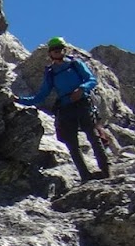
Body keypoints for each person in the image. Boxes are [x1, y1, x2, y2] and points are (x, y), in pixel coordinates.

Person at [16, 37, 110, 181]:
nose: (57, 51)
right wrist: (21, 100)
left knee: (93, 136)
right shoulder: (51, 72)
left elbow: (91, 79)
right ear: (50, 53)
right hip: (66, 107)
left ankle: (105, 172)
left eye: (60, 49)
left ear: (64, 50)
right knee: (72, 143)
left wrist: (82, 89)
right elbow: (41, 95)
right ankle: (85, 175)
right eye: (55, 50)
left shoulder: (75, 64)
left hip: (82, 103)